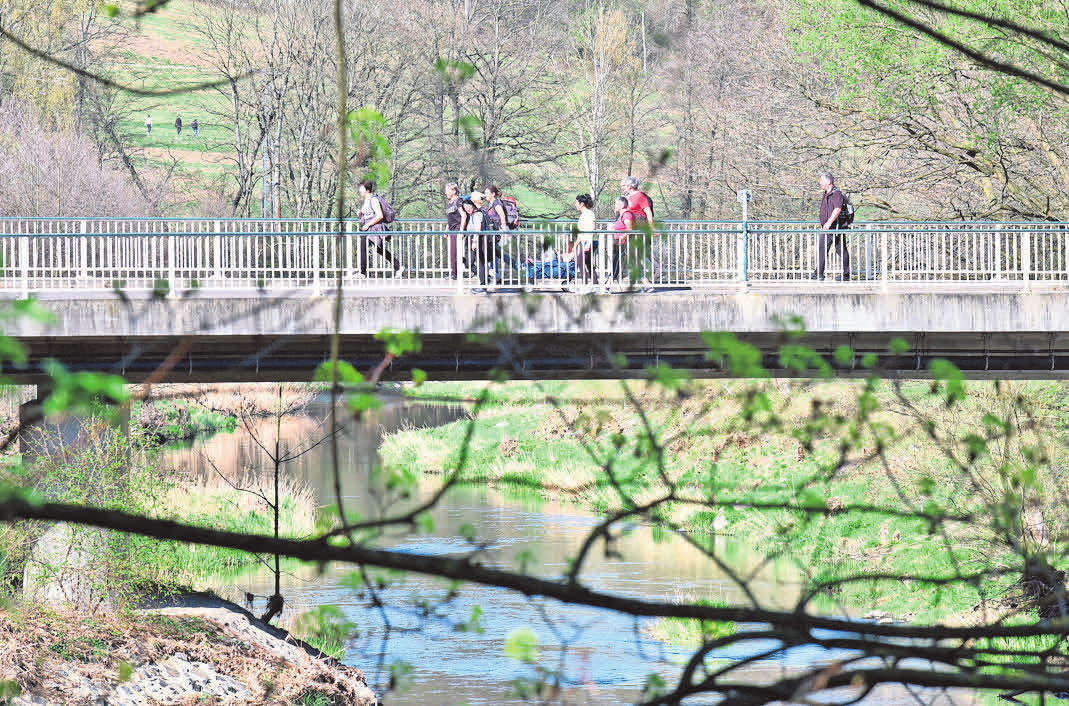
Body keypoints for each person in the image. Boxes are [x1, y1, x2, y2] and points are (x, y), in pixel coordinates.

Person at [358, 180, 403, 277]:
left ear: (367, 190)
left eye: (361, 188)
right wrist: (361, 213)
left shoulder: (373, 200)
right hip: (369, 229)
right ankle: (397, 266)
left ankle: (362, 272)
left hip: (373, 229)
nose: (359, 190)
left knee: (365, 248)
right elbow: (369, 213)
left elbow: (379, 215)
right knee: (378, 249)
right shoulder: (366, 200)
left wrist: (368, 225)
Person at [814, 172, 851, 281]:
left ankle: (846, 275)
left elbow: (837, 209)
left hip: (836, 227)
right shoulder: (826, 194)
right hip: (827, 228)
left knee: (841, 250)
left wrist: (829, 223)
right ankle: (819, 273)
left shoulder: (836, 194)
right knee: (822, 248)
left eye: (822, 181)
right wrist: (824, 224)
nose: (820, 183)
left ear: (829, 182)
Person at [563, 194, 598, 288]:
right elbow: (580, 233)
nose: (575, 204)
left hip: (589, 243)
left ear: (582, 204)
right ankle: (595, 285)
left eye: (576, 202)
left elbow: (591, 230)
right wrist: (575, 245)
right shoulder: (583, 215)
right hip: (585, 242)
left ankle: (585, 285)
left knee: (580, 262)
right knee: (588, 264)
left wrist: (588, 244)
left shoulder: (589, 214)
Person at [463, 197, 496, 293]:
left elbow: (478, 228)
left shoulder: (477, 215)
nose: (468, 210)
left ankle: (483, 286)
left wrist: (475, 241)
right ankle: (485, 279)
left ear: (473, 206)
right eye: (466, 209)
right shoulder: (472, 215)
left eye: (469, 207)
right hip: (474, 240)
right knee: (469, 262)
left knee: (481, 262)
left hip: (480, 240)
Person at [444, 183, 467, 279]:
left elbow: (464, 215)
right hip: (452, 229)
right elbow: (450, 218)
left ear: (453, 191)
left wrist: (461, 230)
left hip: (457, 228)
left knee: (455, 252)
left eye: (448, 191)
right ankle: (455, 272)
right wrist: (446, 230)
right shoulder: (450, 203)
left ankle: (455, 273)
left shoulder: (458, 201)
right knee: (453, 252)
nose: (446, 193)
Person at [610, 195, 635, 281]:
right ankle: (646, 285)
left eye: (616, 204)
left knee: (616, 263)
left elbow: (629, 229)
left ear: (622, 205)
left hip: (624, 244)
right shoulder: (621, 215)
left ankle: (608, 283)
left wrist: (622, 238)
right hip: (620, 243)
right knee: (617, 262)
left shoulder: (626, 215)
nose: (614, 206)